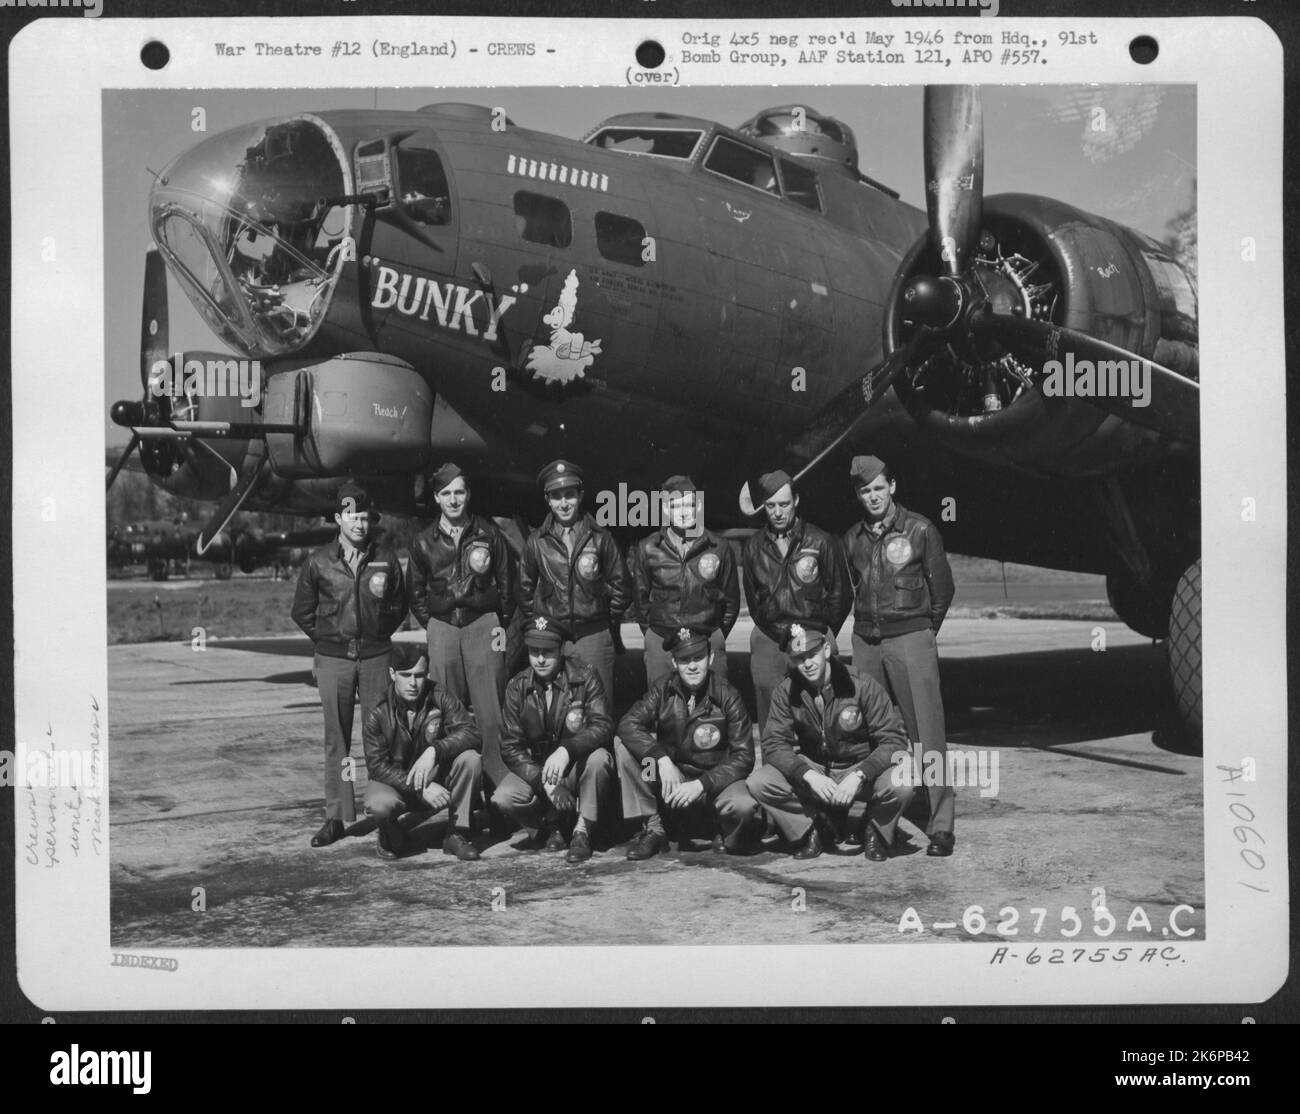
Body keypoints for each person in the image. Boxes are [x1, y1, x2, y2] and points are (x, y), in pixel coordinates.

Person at [842, 455, 957, 857]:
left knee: (927, 732)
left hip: (910, 640)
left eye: (878, 488)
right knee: (867, 733)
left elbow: (942, 590)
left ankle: (941, 824)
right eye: (864, 491)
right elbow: (848, 591)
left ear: (892, 487)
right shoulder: (853, 538)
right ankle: (870, 818)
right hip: (866, 643)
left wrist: (922, 633)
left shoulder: (920, 529)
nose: (872, 496)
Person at [291, 481, 408, 848]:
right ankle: (336, 817)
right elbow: (301, 611)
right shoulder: (318, 562)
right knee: (336, 740)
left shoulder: (384, 559)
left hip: (376, 657)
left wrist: (376, 634)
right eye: (352, 517)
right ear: (338, 518)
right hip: (334, 661)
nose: (359, 524)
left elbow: (399, 604)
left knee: (382, 735)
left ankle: (386, 814)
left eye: (364, 518)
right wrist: (330, 639)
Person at [747, 621, 913, 861]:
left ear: (825, 650)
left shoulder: (862, 686)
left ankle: (875, 829)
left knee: (904, 780)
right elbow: (773, 744)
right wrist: (807, 774)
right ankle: (813, 829)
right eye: (799, 657)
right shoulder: (786, 691)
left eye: (812, 653)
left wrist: (860, 775)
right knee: (759, 782)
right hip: (817, 769)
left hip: (859, 766)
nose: (808, 663)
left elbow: (894, 740)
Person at [407, 462, 516, 786]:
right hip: (443, 628)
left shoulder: (489, 534)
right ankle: (460, 793)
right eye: (446, 493)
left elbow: (509, 588)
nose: (453, 499)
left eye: (459, 492)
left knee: (491, 714)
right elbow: (416, 593)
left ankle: (498, 792)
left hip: (484, 624)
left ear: (467, 495)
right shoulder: (423, 541)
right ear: (437, 498)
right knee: (447, 714)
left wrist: (498, 625)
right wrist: (435, 627)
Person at [616, 625, 758, 861]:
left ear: (710, 658)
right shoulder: (662, 690)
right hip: (671, 779)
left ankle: (722, 828)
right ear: (674, 663)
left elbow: (744, 757)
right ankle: (654, 827)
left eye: (698, 658)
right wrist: (660, 759)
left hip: (713, 782)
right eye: (684, 660)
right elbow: (628, 724)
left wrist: (703, 784)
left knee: (742, 805)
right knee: (625, 752)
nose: (692, 666)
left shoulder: (728, 696)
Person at [492, 617, 615, 863]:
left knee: (600, 759)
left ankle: (582, 830)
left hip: (576, 767)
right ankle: (553, 823)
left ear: (561, 650)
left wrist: (567, 750)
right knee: (504, 796)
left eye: (547, 652)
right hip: (541, 771)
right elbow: (509, 746)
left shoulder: (585, 677)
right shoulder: (517, 687)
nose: (540, 659)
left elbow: (602, 725)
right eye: (534, 652)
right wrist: (544, 783)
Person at [741, 470, 851, 729]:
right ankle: (774, 768)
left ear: (796, 501)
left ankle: (824, 765)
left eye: (784, 504)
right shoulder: (753, 547)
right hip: (771, 639)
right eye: (770, 506)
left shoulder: (821, 540)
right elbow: (753, 599)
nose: (778, 512)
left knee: (822, 712)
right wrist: (774, 630)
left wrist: (820, 633)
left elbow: (841, 595)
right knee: (771, 716)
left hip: (814, 636)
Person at [517, 459, 631, 705]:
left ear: (580, 496)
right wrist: (545, 625)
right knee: (559, 708)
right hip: (555, 639)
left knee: (599, 707)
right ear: (548, 500)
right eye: (556, 496)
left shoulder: (602, 538)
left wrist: (600, 614)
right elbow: (525, 592)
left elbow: (622, 586)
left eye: (570, 495)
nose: (564, 503)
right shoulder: (536, 542)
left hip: (594, 636)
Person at [362, 643, 483, 861]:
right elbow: (377, 766)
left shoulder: (440, 695)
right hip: (398, 784)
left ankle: (456, 833)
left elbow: (470, 732)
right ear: (392, 674)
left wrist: (434, 750)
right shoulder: (377, 710)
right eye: (405, 675)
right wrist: (420, 787)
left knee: (471, 760)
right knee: (378, 804)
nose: (412, 683)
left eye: (419, 675)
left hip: (437, 776)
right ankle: (390, 831)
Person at [629, 475, 739, 688]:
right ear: (665, 509)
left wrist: (714, 633)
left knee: (714, 705)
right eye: (675, 505)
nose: (683, 512)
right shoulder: (649, 548)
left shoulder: (719, 547)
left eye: (688, 504)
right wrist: (655, 634)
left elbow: (731, 601)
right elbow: (640, 600)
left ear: (698, 506)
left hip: (707, 637)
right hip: (662, 639)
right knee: (662, 706)